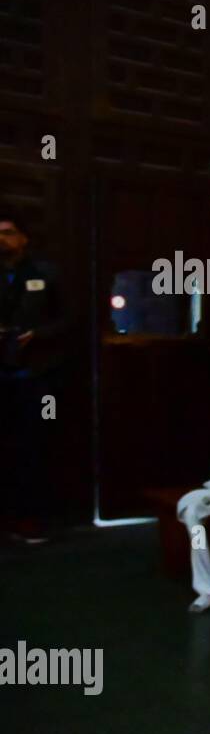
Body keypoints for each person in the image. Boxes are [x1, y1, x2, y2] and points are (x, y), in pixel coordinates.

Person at [0, 211, 64, 544]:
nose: (2, 239)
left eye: (8, 232)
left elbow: (70, 319)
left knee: (38, 443)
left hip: (40, 377)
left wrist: (37, 334)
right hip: (4, 374)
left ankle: (34, 519)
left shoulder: (46, 274)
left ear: (23, 238)